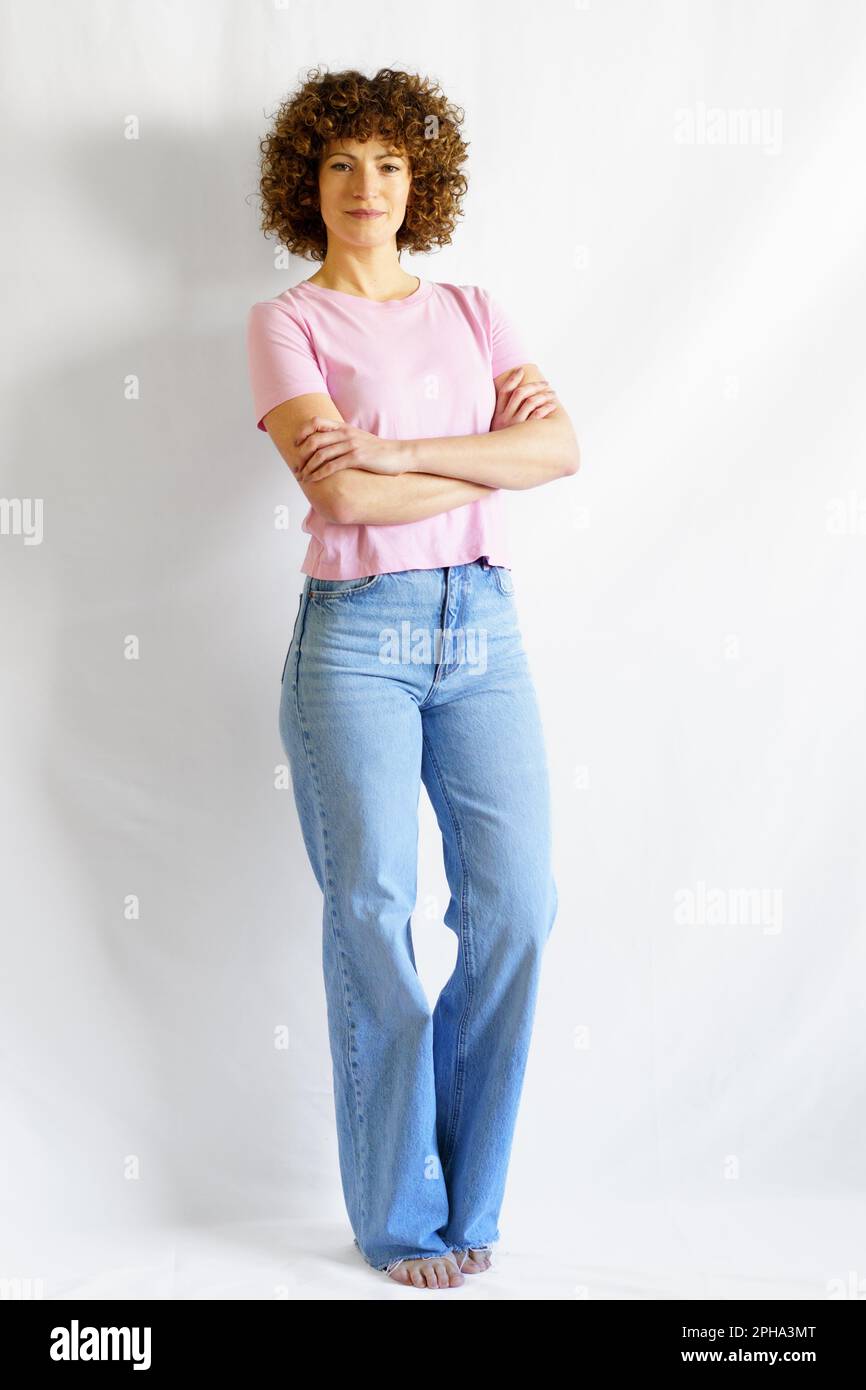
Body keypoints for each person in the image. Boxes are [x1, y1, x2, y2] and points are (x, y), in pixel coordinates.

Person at [246, 66, 580, 1290]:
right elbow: (335, 493)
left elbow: (561, 446)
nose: (364, 187)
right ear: (307, 182)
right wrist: (487, 464)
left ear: (417, 180)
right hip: (355, 638)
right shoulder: (286, 322)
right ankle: (398, 1217)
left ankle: (468, 1196)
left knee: (517, 908)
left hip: (481, 627)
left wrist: (400, 450)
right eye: (339, 163)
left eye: (387, 163)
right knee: (375, 917)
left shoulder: (476, 309)